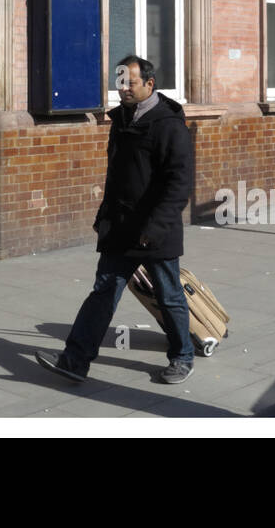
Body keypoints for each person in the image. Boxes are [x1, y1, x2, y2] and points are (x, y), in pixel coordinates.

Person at [36, 55, 196, 385]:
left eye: (130, 83)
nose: (122, 89)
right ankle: (75, 360)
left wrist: (155, 227)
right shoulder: (122, 120)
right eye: (119, 82)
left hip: (155, 230)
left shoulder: (168, 126)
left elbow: (180, 183)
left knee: (168, 296)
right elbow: (117, 176)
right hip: (120, 227)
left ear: (150, 84)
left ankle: (182, 356)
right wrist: (103, 215)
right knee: (103, 293)